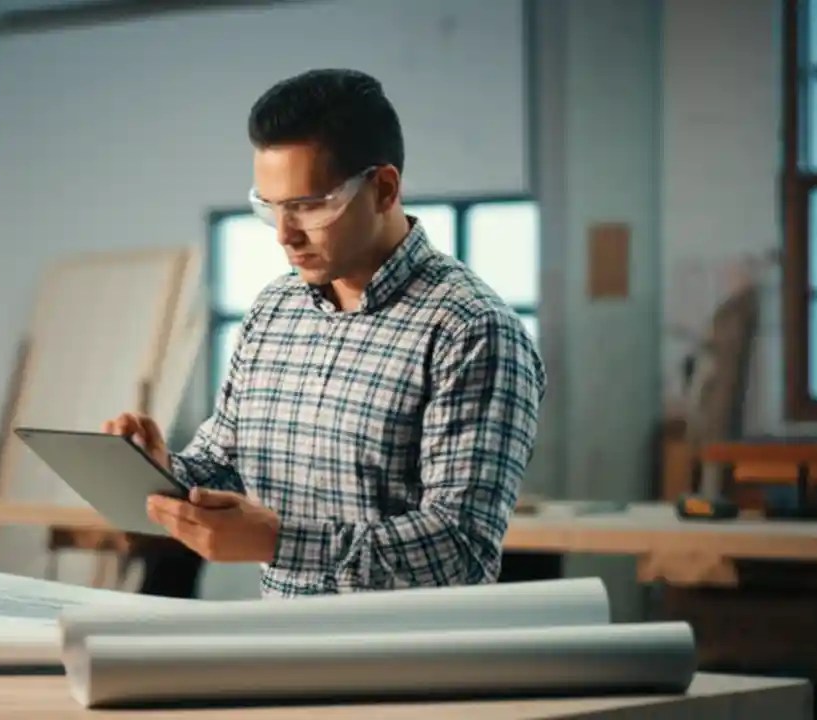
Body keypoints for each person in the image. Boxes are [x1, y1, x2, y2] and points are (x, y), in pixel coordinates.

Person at [103, 68, 546, 598]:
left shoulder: (471, 332)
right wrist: (164, 472)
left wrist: (282, 542)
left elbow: (462, 550)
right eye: (268, 208)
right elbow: (224, 462)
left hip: (410, 668)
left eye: (309, 206)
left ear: (383, 188)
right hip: (288, 648)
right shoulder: (275, 310)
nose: (285, 236)